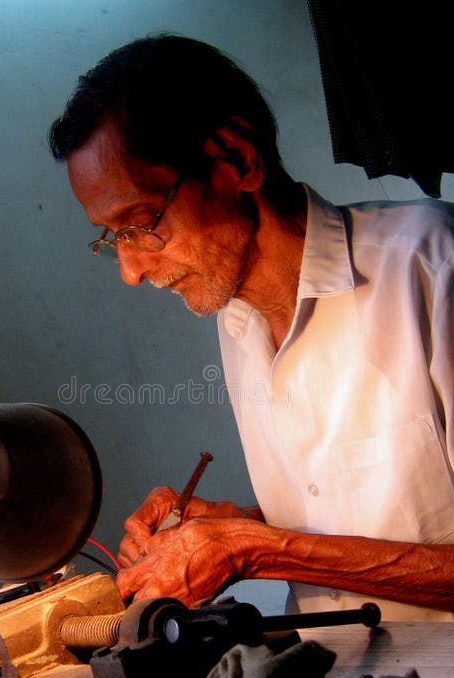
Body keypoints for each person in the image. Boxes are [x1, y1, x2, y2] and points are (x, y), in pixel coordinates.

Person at [48, 34, 454, 621]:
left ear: (235, 159)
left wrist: (252, 551)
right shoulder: (238, 323)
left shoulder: (432, 268)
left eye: (139, 223)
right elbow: (363, 532)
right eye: (113, 239)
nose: (131, 271)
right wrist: (232, 528)